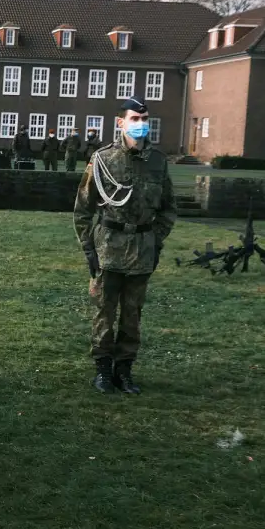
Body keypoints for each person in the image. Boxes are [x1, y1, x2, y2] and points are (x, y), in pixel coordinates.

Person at [73, 96, 177, 396]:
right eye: (135, 119)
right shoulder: (103, 159)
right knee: (104, 312)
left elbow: (169, 207)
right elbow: (83, 208)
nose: (141, 125)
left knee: (133, 315)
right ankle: (103, 370)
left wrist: (156, 241)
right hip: (108, 249)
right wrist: (89, 249)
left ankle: (125, 371)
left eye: (145, 120)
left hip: (143, 249)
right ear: (120, 123)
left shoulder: (158, 161)